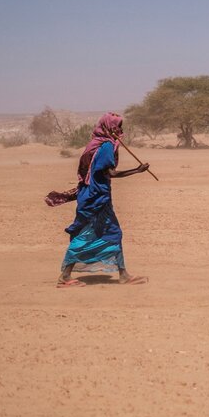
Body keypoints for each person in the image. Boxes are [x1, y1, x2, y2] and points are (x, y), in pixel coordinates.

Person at [57, 112, 151, 288]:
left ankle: (123, 274)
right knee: (85, 236)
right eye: (117, 126)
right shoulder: (106, 146)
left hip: (92, 196)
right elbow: (110, 173)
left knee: (112, 233)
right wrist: (137, 170)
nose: (120, 130)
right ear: (109, 127)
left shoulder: (95, 144)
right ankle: (64, 277)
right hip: (96, 199)